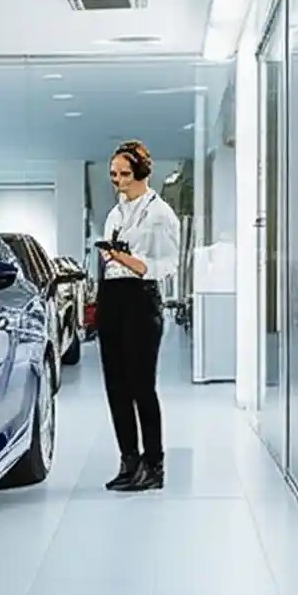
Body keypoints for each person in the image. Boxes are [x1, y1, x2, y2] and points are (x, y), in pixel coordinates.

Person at [96, 140, 181, 492]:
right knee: (115, 386)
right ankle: (128, 459)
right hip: (112, 296)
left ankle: (154, 464)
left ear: (143, 173)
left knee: (141, 387)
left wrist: (130, 261)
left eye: (125, 174)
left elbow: (167, 263)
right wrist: (111, 258)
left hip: (140, 297)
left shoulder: (160, 214)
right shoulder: (115, 214)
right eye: (114, 174)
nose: (119, 181)